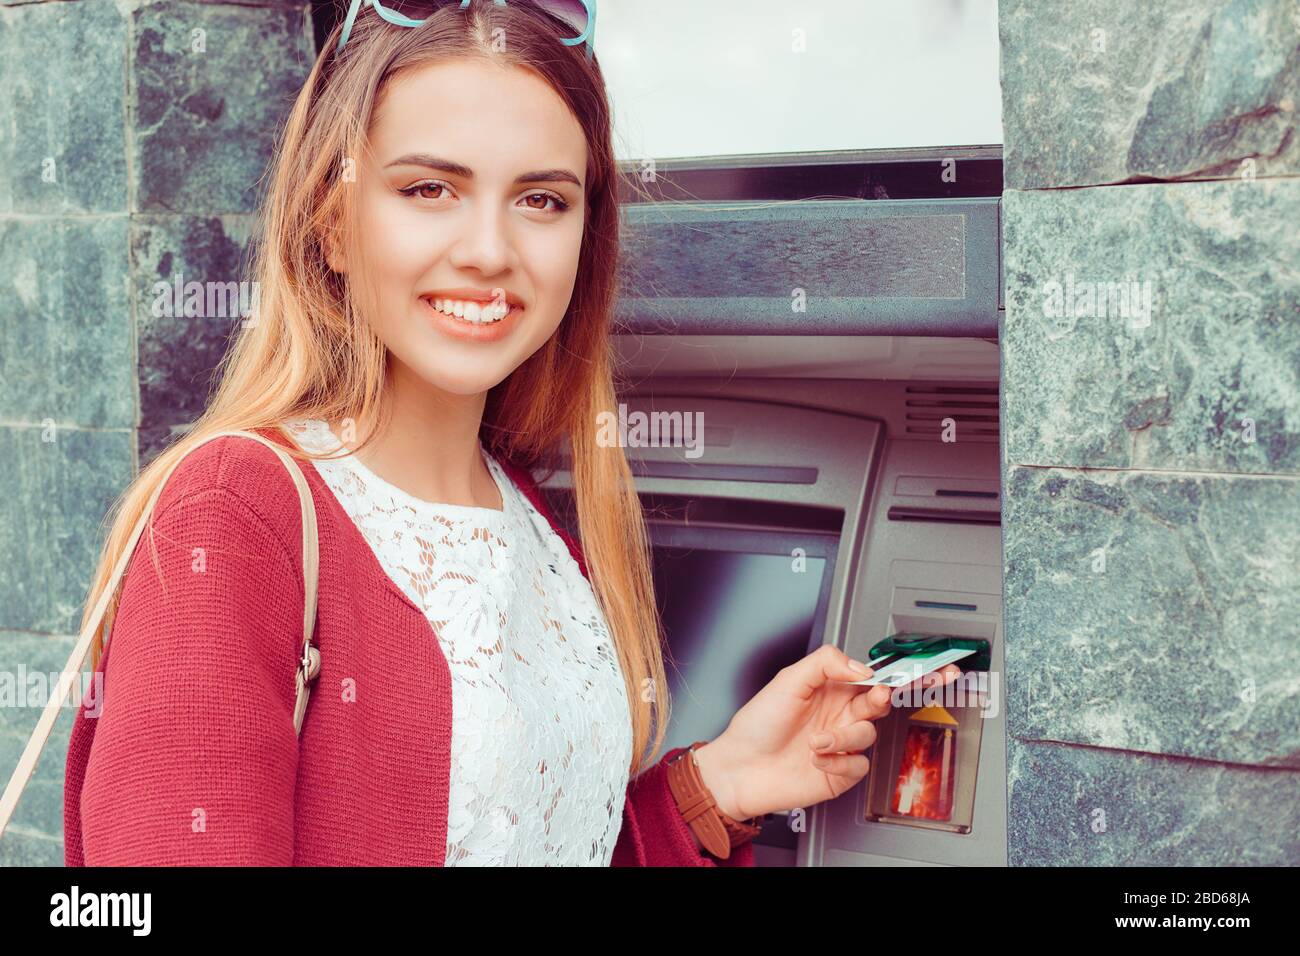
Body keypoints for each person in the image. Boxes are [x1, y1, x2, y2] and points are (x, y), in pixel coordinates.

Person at [62, 0, 960, 866]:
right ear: (333, 221)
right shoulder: (235, 515)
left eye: (541, 200)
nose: (490, 250)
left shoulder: (533, 518)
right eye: (429, 188)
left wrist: (715, 791)